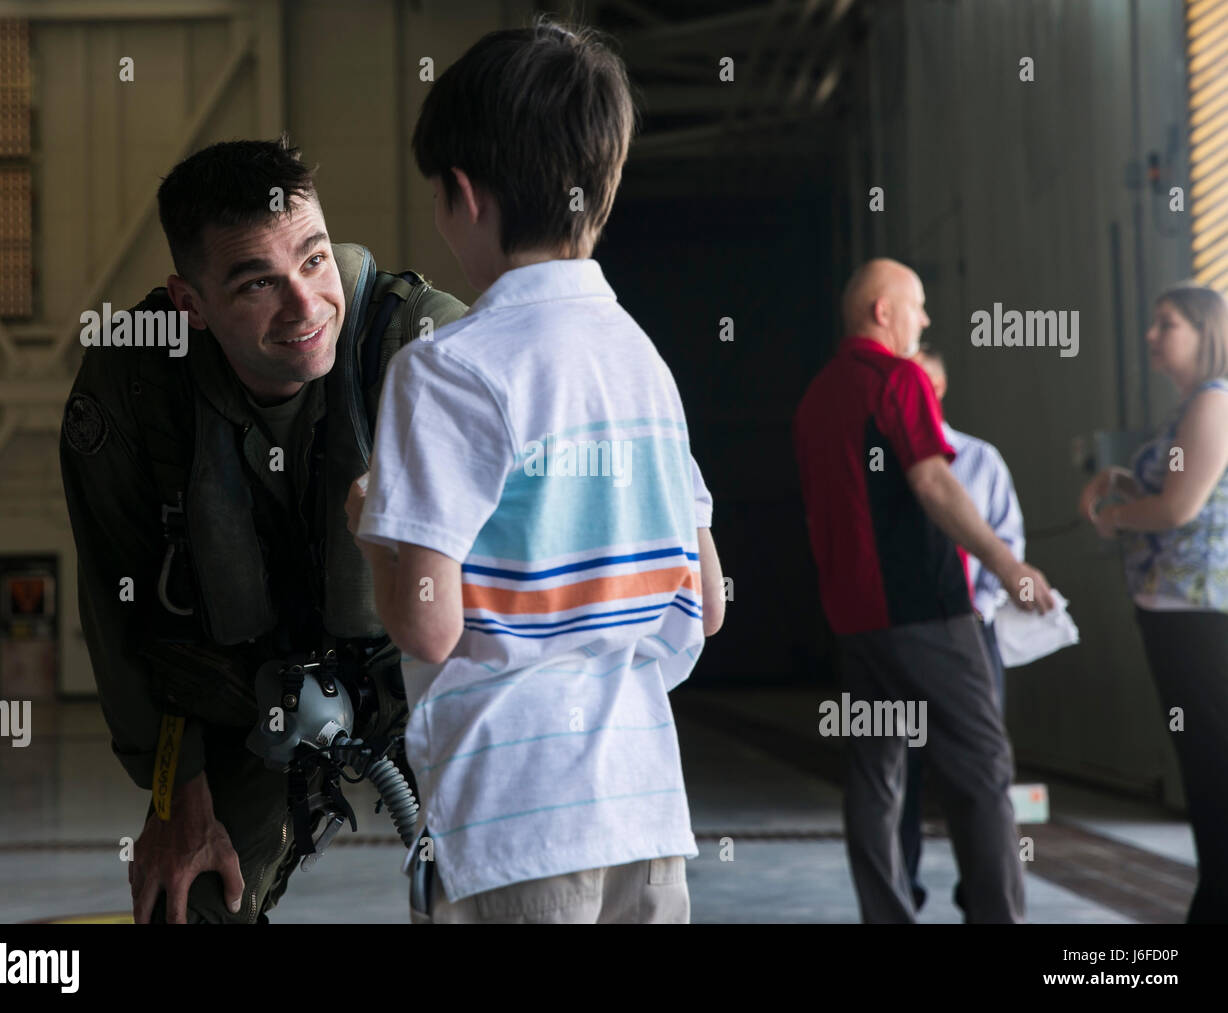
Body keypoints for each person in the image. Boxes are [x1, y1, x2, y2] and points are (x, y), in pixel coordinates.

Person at [348, 20, 725, 924]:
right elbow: (705, 602)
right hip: (645, 804)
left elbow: (430, 630)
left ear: (463, 196)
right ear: (603, 185)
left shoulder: (447, 368)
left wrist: (375, 531)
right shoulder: (645, 364)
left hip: (511, 818)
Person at [59, 137, 466, 923]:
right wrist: (175, 790)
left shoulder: (426, 345)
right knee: (188, 905)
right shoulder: (134, 385)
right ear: (191, 303)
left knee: (502, 886)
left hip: (420, 671)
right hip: (241, 695)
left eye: (313, 260)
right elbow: (116, 607)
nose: (306, 307)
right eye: (258, 284)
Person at [792, 257, 1055, 924]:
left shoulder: (816, 396)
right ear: (883, 311)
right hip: (925, 614)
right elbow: (933, 481)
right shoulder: (896, 376)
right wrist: (1007, 564)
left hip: (854, 626)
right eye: (918, 305)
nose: (926, 318)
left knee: (877, 779)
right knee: (982, 769)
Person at [1078, 283, 1228, 923]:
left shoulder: (1212, 403)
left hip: (1197, 616)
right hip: (1181, 614)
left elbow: (1178, 506)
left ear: (1205, 333)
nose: (1151, 335)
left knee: (1212, 767)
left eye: (1166, 323)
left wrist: (1115, 517)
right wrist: (1122, 477)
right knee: (1205, 766)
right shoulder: (1194, 407)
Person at [900, 343, 1025, 913]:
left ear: (939, 390)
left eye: (921, 383)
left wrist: (978, 610)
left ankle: (984, 904)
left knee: (978, 776)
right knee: (899, 775)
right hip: (901, 634)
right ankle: (904, 897)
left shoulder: (980, 460)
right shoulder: (882, 462)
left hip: (972, 635)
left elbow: (1009, 546)